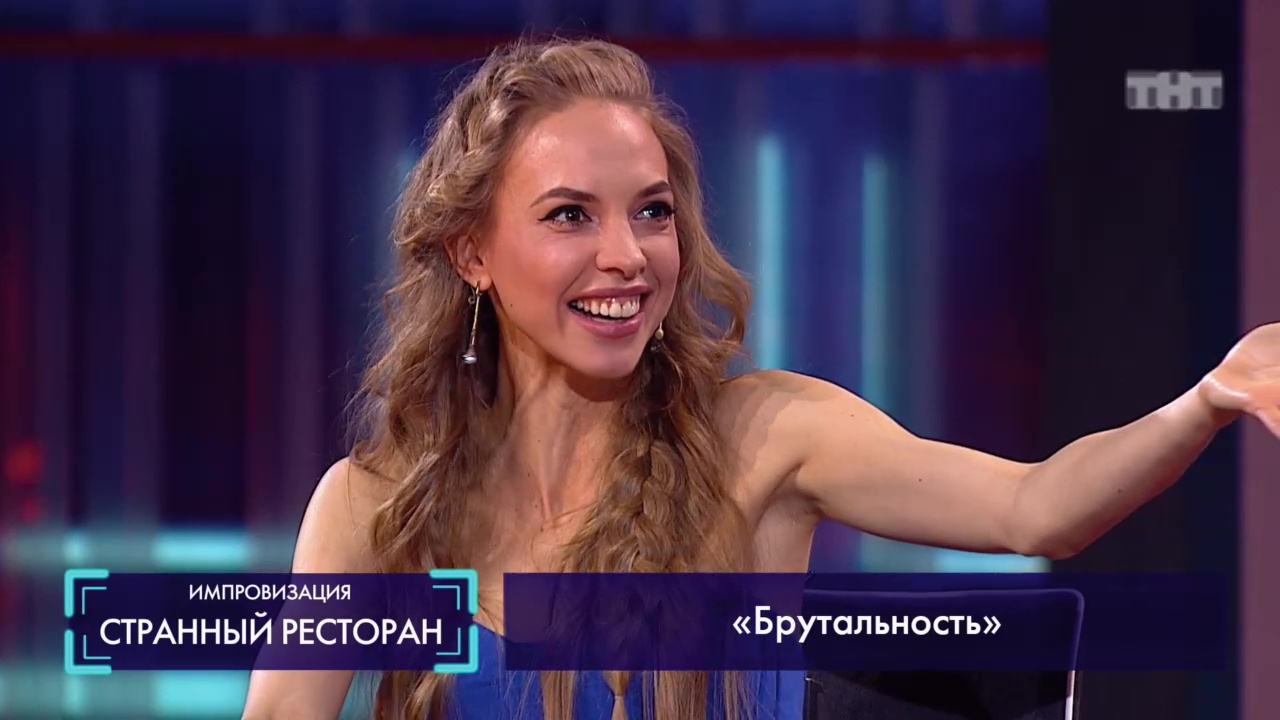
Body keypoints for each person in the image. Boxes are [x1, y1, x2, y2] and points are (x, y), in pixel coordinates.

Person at [241, 36, 1280, 720]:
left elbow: (1038, 509)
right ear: (471, 252)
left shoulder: (764, 437)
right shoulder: (378, 507)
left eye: (652, 212)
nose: (626, 256)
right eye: (570, 216)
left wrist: (1206, 400)